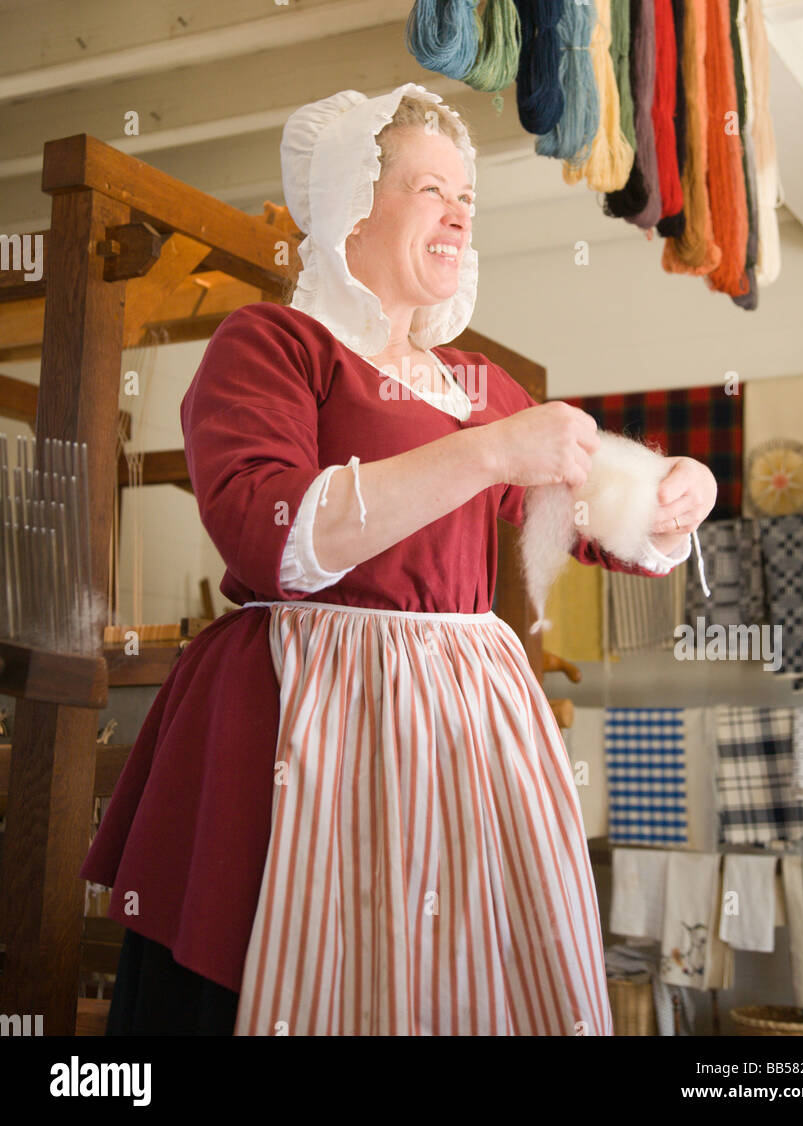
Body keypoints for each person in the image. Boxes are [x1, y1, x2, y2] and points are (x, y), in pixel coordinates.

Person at [81, 82, 717, 1036]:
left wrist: (674, 493)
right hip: (305, 715)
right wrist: (493, 451)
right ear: (352, 206)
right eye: (428, 188)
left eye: (467, 195)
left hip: (463, 736)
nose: (459, 211)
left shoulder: (473, 383)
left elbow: (595, 510)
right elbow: (272, 532)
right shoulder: (275, 344)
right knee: (275, 973)